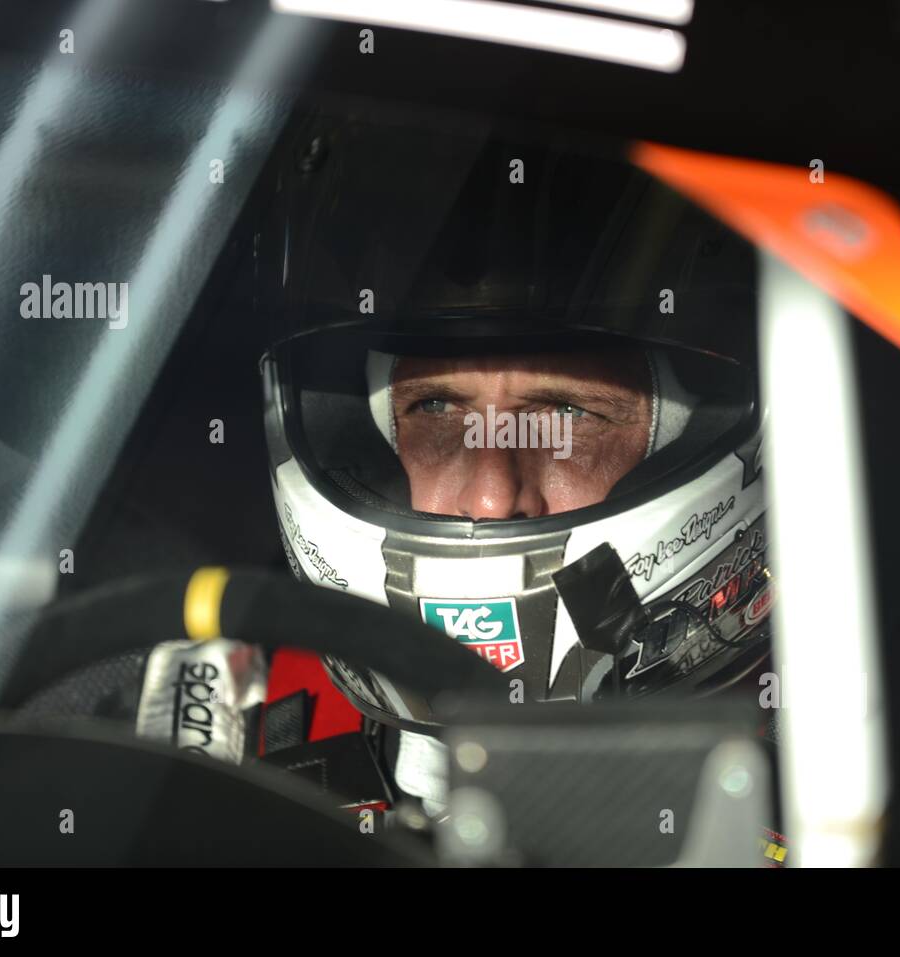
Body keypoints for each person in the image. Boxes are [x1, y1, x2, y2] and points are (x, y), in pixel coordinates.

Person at [249, 112, 777, 829]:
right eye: (437, 406)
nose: (493, 491)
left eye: (565, 415)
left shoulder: (863, 781)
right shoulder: (259, 744)